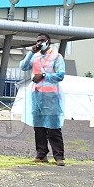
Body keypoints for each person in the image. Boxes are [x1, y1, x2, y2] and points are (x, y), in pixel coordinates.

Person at [19, 32, 66, 166]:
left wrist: (44, 75)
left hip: (51, 96)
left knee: (53, 127)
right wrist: (31, 53)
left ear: (48, 41)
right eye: (38, 41)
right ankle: (41, 154)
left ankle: (59, 156)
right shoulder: (35, 56)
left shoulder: (56, 56)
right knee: (38, 126)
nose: (40, 43)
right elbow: (23, 66)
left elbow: (60, 75)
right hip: (36, 95)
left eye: (42, 40)